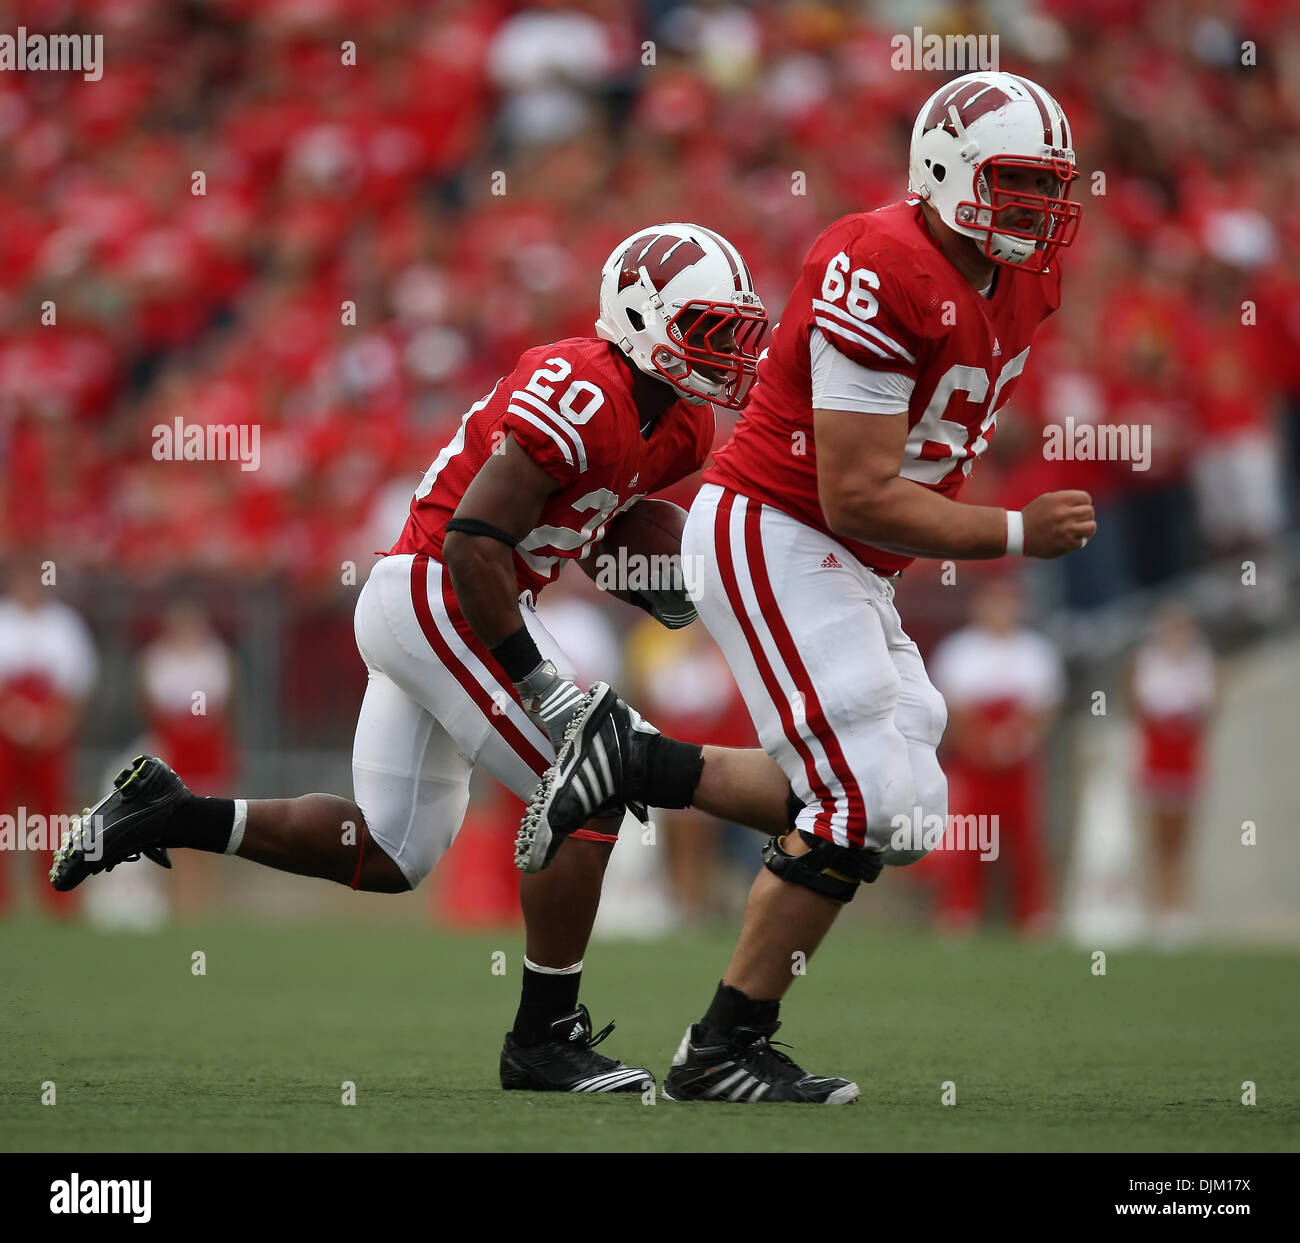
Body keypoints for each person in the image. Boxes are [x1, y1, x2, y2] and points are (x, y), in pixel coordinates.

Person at [50, 222, 768, 1094]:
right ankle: (544, 1037)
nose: (727, 350)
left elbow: (589, 515)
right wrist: (539, 684)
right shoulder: (586, 384)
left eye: (734, 329)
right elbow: (475, 537)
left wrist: (656, 570)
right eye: (708, 327)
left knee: (392, 853)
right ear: (640, 318)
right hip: (443, 587)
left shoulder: (681, 422)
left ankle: (170, 813)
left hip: (440, 599)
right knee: (597, 772)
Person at [522, 72, 1095, 1103]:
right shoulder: (878, 262)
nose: (1032, 210)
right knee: (860, 792)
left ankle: (632, 762)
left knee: (906, 815)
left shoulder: (1025, 278)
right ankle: (724, 1045)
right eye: (1012, 182)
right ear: (943, 171)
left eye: (1045, 187)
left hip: (848, 557)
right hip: (778, 528)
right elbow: (860, 488)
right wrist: (1013, 530)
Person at [927, 576, 1064, 935]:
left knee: (1026, 840)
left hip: (1021, 762)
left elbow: (1044, 708)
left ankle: (1033, 915)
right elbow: (953, 709)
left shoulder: (1034, 651)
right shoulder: (960, 650)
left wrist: (1019, 739)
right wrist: (982, 744)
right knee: (969, 837)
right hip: (973, 762)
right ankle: (960, 911)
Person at [0, 560, 98, 917]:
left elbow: (80, 681)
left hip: (51, 737)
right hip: (4, 737)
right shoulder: (4, 621)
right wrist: (12, 717)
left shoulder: (64, 625)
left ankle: (58, 899)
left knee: (52, 820)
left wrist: (55, 723)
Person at [1125, 604, 1216, 947]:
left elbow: (1206, 708)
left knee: (1183, 837)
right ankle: (1159, 908)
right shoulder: (1148, 662)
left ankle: (1180, 908)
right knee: (1159, 837)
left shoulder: (1201, 663)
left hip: (1185, 756)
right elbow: (1139, 705)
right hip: (1157, 754)